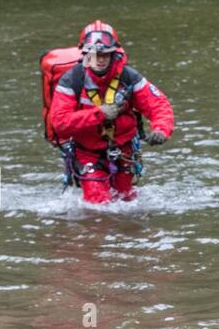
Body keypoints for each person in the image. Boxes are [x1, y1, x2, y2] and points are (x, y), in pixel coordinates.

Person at [47, 21, 174, 205]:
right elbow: (60, 122)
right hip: (87, 152)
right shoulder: (72, 80)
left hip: (124, 151)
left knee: (127, 201)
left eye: (105, 54)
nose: (100, 59)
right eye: (94, 54)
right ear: (85, 54)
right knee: (99, 205)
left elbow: (158, 105)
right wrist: (99, 114)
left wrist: (161, 130)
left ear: (114, 53)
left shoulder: (129, 77)